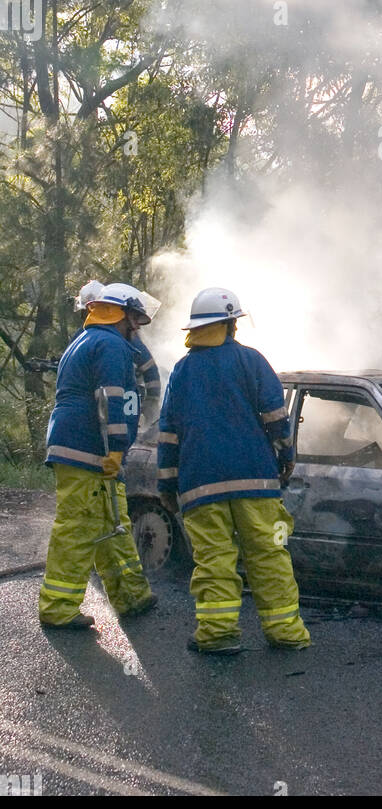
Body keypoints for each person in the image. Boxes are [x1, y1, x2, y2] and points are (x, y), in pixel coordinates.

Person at [157, 287, 310, 656]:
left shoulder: (182, 371)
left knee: (214, 561)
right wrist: (287, 454)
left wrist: (166, 484)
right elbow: (276, 415)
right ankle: (285, 632)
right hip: (257, 482)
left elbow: (168, 432)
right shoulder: (251, 360)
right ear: (228, 324)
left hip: (200, 486)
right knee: (270, 555)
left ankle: (219, 633)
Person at [39, 283, 157, 629]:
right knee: (78, 526)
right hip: (88, 449)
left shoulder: (90, 339)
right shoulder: (110, 345)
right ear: (119, 314)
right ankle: (58, 608)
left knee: (112, 521)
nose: (136, 326)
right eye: (134, 317)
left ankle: (131, 595)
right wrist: (118, 450)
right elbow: (110, 400)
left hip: (86, 447)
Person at [75, 280, 162, 432]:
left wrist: (151, 402)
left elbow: (150, 368)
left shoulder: (103, 340)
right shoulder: (107, 341)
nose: (137, 327)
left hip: (128, 399)